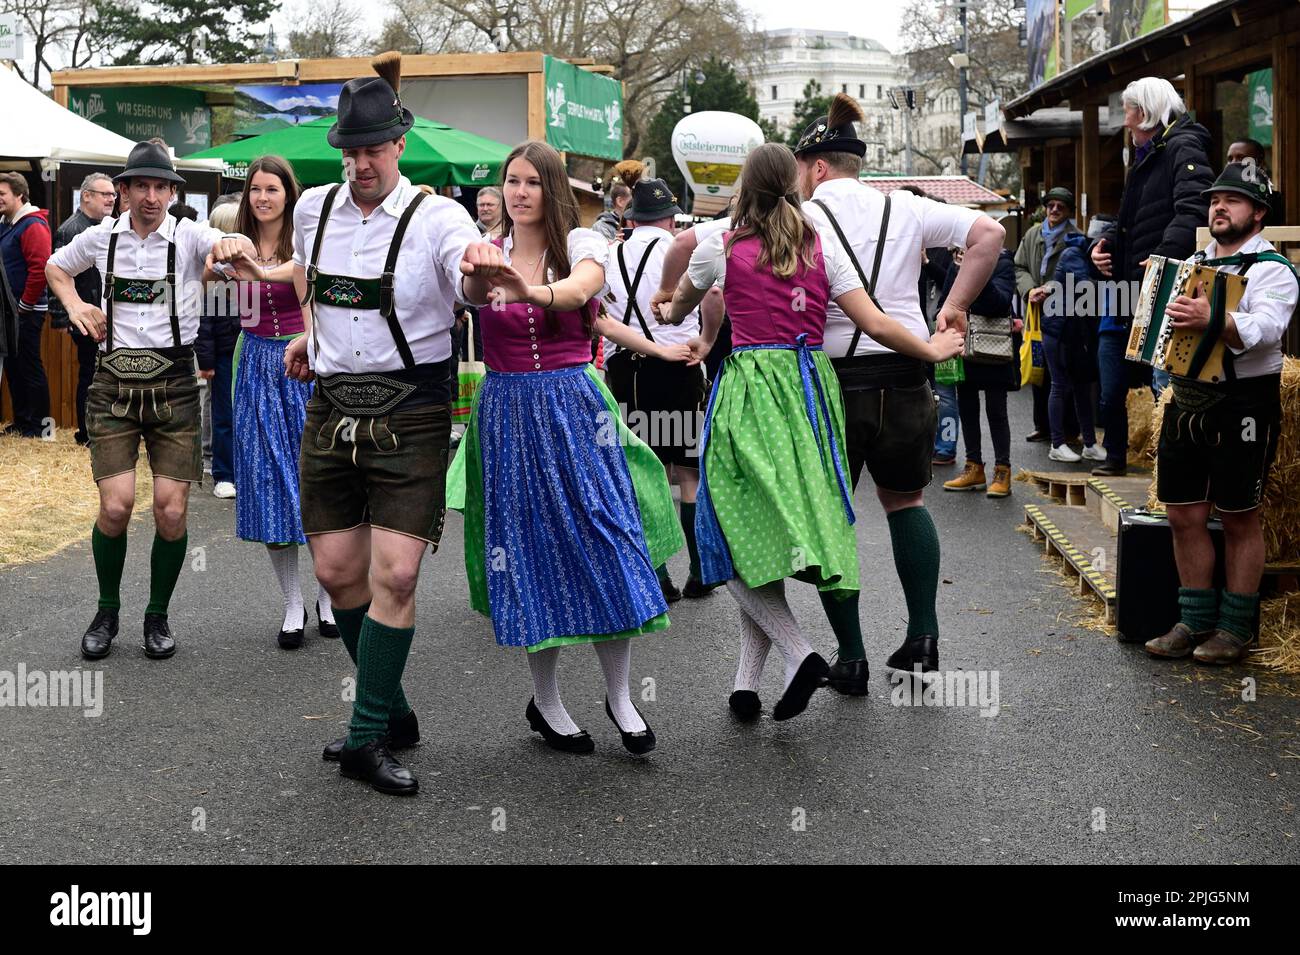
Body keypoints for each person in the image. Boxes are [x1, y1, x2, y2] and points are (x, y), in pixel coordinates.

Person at [659, 142, 965, 721]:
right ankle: (748, 681)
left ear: (743, 187)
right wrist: (929, 347)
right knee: (833, 519)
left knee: (727, 529)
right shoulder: (818, 245)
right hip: (813, 390)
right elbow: (874, 319)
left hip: (750, 391)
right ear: (793, 185)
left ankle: (816, 654)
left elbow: (680, 307)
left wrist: (672, 311)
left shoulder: (721, 246)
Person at [283, 52, 506, 795]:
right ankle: (392, 706)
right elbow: (312, 287)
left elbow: (466, 278)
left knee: (398, 572)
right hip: (332, 405)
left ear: (398, 145)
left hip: (412, 406)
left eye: (373, 149)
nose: (361, 163)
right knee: (337, 573)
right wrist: (307, 338)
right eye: (351, 151)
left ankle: (363, 736)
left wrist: (477, 265)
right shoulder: (313, 208)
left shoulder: (437, 215)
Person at [446, 140, 689, 756]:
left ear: (551, 188)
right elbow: (473, 297)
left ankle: (620, 696)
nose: (518, 192)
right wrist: (484, 280)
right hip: (507, 412)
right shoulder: (485, 251)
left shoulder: (580, 245)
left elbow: (584, 293)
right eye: (511, 181)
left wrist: (528, 293)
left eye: (530, 182)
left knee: (608, 539)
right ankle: (547, 701)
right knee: (527, 553)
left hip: (576, 407)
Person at [45, 141, 255, 661]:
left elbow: (231, 239)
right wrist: (75, 306)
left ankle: (157, 613)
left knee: (170, 511)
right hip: (113, 384)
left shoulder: (187, 237)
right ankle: (107, 609)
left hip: (175, 385)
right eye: (143, 185)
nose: (153, 196)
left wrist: (232, 244)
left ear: (172, 192)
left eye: (162, 187)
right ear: (124, 191)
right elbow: (54, 266)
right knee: (115, 508)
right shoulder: (101, 237)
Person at [1145, 162, 1297, 664]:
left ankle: (1234, 629)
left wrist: (1216, 319)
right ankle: (1193, 621)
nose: (1219, 207)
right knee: (1184, 514)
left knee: (1238, 516)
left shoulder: (1273, 268)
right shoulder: (1191, 264)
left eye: (1232, 200)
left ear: (1258, 212)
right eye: (1214, 199)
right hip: (1187, 400)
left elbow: (1266, 329)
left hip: (1245, 403)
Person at [208, 155, 336, 649]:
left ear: (289, 195)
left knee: (318, 484)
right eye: (255, 189)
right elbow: (223, 304)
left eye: (272, 189)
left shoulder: (304, 241)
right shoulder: (235, 241)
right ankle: (291, 603)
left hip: (301, 362)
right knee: (267, 484)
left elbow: (308, 300)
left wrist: (255, 271)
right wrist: (217, 273)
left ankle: (327, 594)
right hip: (256, 362)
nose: (262, 197)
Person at [603, 176, 724, 601]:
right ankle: (700, 571)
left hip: (627, 370)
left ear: (632, 217)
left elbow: (597, 314)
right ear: (671, 219)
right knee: (689, 472)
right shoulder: (687, 252)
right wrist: (706, 342)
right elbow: (712, 298)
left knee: (643, 472)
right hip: (681, 365)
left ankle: (658, 575)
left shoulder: (608, 253)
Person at [1090, 76, 1213, 470]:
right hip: (1139, 289)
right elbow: (1129, 222)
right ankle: (1160, 482)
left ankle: (1173, 487)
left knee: (1165, 388)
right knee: (1140, 387)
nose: (1125, 122)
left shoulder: (1182, 145)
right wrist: (1104, 245)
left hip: (1167, 288)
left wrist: (1161, 256)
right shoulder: (1151, 154)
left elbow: (1195, 208)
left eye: (1128, 112)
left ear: (1146, 113)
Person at [941, 247, 1021, 497]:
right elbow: (947, 300)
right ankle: (973, 467)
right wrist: (959, 270)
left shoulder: (1002, 261)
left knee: (996, 409)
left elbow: (999, 303)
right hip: (965, 343)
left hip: (993, 347)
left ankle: (1002, 471)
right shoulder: (958, 261)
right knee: (967, 406)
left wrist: (977, 272)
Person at [51, 173, 117, 445]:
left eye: (113, 194)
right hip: (85, 318)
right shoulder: (72, 229)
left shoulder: (106, 226)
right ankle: (86, 433)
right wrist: (66, 316)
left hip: (101, 315)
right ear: (86, 196)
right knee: (89, 374)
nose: (111, 199)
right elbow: (57, 273)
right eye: (105, 194)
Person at [1014, 186, 1080, 446]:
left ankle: (1069, 429)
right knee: (1038, 369)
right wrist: (1030, 290)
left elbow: (1078, 273)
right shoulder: (1032, 234)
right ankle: (1041, 425)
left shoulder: (1075, 237)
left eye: (1060, 207)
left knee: (1063, 371)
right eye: (1050, 205)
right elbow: (1018, 266)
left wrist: (1051, 289)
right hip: (1036, 314)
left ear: (1068, 211)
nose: (1054, 210)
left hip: (1063, 314)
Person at [1041, 214, 1105, 464]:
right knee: (1059, 385)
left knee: (1082, 386)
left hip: (1078, 330)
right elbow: (1089, 287)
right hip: (1058, 329)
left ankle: (1089, 443)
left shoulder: (1085, 255)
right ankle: (1057, 444)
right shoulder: (1073, 255)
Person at [0, 172, 52, 438]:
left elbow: (39, 269)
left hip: (25, 311)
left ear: (19, 195)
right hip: (9, 310)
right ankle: (22, 422)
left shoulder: (32, 225)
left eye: (2, 194)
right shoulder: (6, 224)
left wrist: (24, 305)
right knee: (13, 365)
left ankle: (42, 428)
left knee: (29, 366)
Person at [196, 201, 239, 499]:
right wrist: (207, 360)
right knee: (223, 413)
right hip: (224, 352)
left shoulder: (252, 262)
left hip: (248, 349)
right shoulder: (211, 269)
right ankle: (223, 473)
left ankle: (243, 471)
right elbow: (204, 319)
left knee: (245, 413)